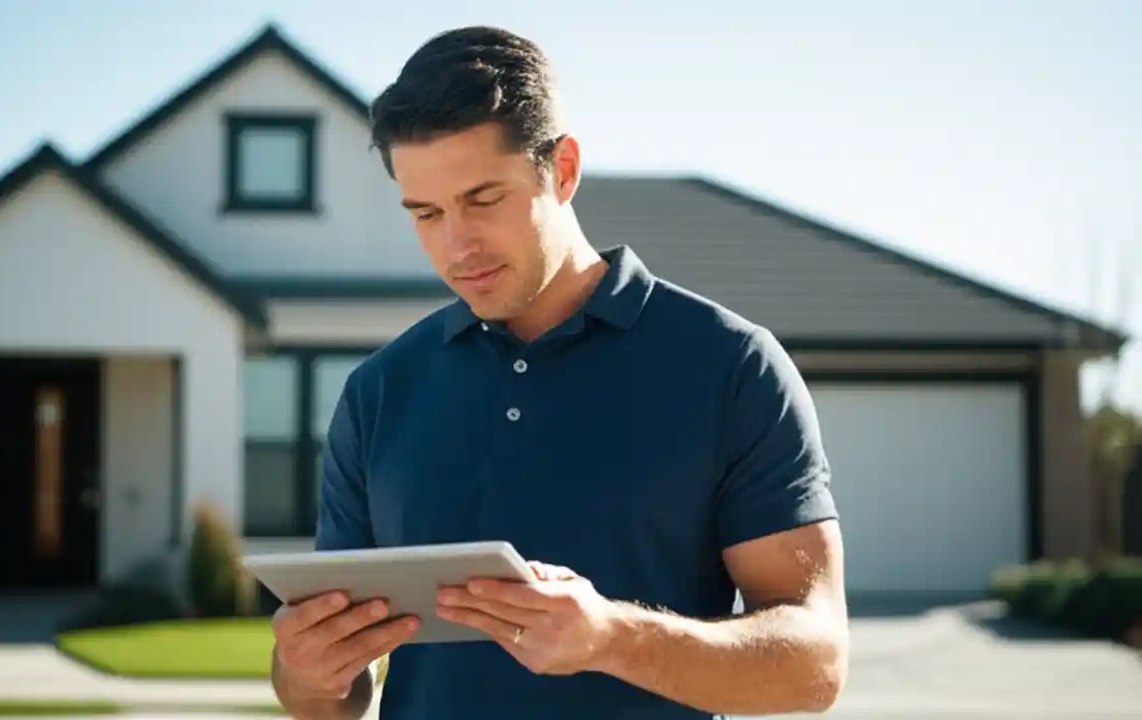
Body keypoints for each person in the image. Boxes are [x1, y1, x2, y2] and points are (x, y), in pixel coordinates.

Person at [269, 25, 849, 720]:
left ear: (564, 170)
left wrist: (612, 639)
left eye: (484, 199)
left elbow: (813, 667)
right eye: (425, 213)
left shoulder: (730, 366)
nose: (457, 246)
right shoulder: (381, 392)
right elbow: (335, 702)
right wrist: (304, 675)